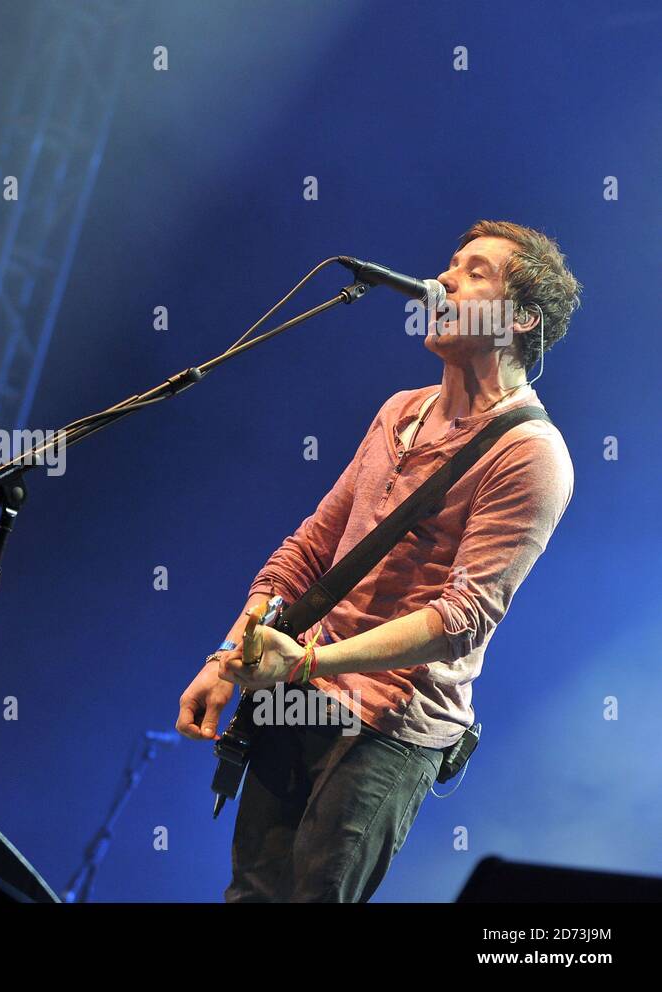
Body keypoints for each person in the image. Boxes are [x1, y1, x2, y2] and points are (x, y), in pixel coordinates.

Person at [176, 220, 581, 902]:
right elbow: (310, 548)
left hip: (388, 726)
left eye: (475, 272)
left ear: (521, 319)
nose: (445, 279)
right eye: (451, 264)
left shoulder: (531, 454)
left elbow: (460, 619)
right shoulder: (399, 411)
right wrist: (228, 655)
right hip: (301, 695)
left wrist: (306, 661)